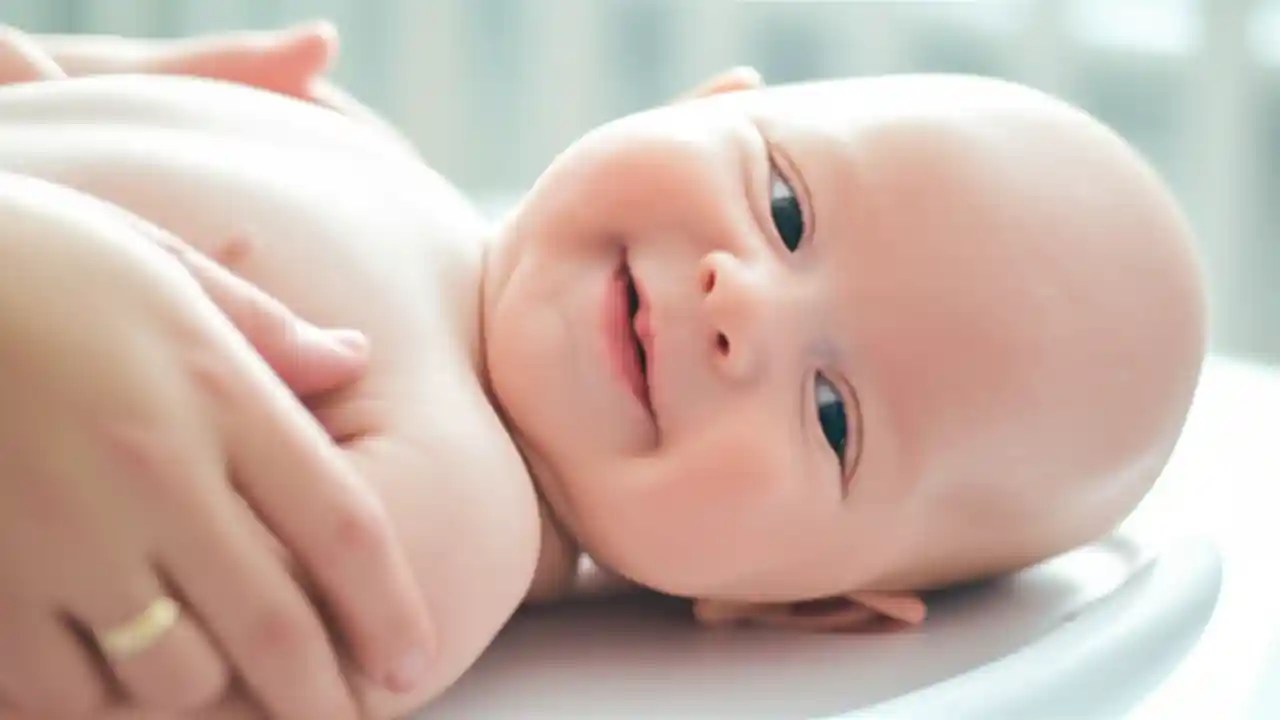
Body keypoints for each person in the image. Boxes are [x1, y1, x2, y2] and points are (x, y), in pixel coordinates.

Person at [0, 20, 1207, 720]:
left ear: (803, 606)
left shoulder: (451, 514)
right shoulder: (366, 148)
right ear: (699, 101)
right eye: (784, 207)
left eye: (833, 417)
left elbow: (116, 635)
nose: (745, 310)